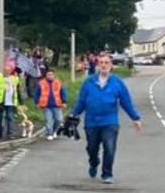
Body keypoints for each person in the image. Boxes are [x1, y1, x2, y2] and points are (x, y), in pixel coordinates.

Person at [70, 54, 142, 183]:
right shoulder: (89, 82)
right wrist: (73, 114)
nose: (104, 65)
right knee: (92, 148)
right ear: (97, 65)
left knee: (109, 147)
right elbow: (81, 101)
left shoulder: (117, 82)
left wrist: (135, 118)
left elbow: (126, 101)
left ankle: (107, 174)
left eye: (106, 63)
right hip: (91, 121)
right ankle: (93, 162)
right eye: (101, 62)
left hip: (110, 121)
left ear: (111, 65)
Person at [36, 69, 68, 140]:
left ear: (54, 75)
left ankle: (54, 131)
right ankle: (50, 133)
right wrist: (37, 102)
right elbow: (37, 94)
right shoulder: (41, 83)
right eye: (48, 75)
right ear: (46, 75)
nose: (50, 76)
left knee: (59, 120)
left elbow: (63, 93)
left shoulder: (58, 83)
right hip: (46, 105)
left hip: (57, 105)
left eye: (51, 74)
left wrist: (64, 102)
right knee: (48, 120)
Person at [0, 65, 23, 139]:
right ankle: (0, 131)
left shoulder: (15, 79)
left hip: (11, 102)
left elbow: (18, 91)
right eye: (5, 70)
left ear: (11, 71)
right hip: (0, 101)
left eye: (8, 70)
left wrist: (21, 102)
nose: (7, 71)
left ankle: (10, 132)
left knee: (10, 117)